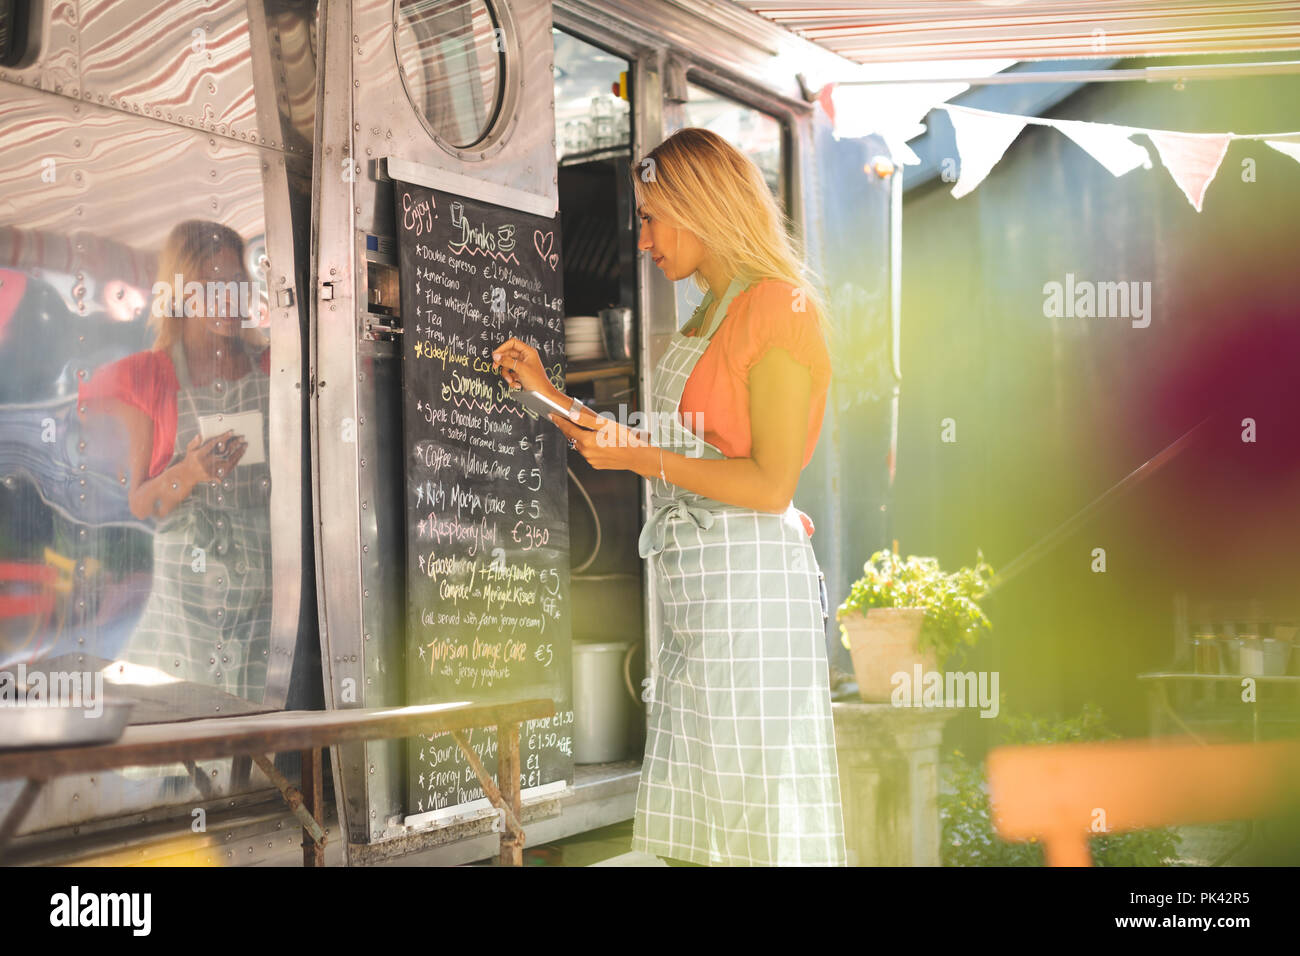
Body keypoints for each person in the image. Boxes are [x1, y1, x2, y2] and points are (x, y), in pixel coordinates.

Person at [490, 127, 847, 866]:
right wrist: (548, 395)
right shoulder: (708, 311)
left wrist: (638, 454)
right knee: (695, 819)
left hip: (751, 594)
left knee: (753, 818)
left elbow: (770, 482)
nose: (642, 239)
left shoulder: (779, 307)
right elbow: (667, 443)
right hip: (700, 600)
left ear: (702, 207)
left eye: (651, 217)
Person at [77, 220, 272, 703]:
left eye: (236, 284)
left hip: (268, 582)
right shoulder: (149, 377)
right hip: (186, 596)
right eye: (210, 287)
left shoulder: (274, 365)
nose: (228, 299)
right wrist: (188, 473)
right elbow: (143, 503)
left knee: (261, 722)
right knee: (191, 724)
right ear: (180, 293)